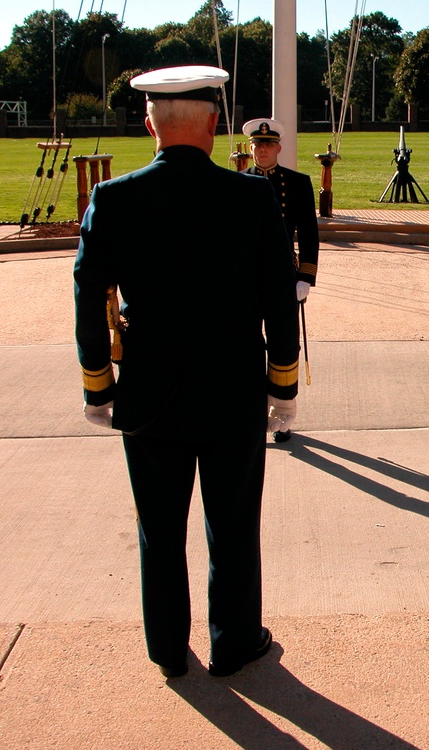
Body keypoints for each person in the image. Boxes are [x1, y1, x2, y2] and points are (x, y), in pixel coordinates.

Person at [73, 66, 301, 679]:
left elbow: (89, 292)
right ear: (215, 123)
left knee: (159, 533)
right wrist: (283, 382)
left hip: (148, 395)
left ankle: (169, 650)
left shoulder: (113, 198)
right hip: (233, 394)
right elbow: (281, 298)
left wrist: (98, 382)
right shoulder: (252, 197)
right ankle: (235, 641)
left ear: (149, 122)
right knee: (232, 528)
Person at [242, 118, 320, 302]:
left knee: (284, 330)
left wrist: (305, 277)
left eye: (269, 144)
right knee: (247, 331)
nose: (263, 149)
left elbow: (308, 233)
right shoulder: (238, 182)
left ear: (278, 148)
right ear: (250, 147)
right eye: (258, 144)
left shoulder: (298, 183)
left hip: (283, 270)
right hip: (248, 273)